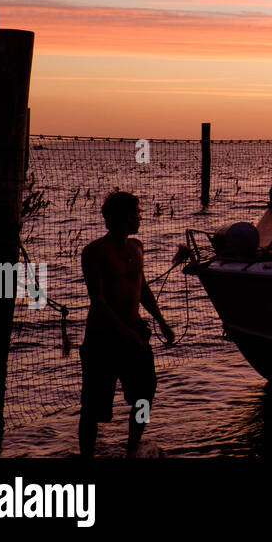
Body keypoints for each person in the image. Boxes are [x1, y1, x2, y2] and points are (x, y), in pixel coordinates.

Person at [79, 190, 175, 458]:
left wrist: (161, 322)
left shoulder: (137, 247)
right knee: (93, 407)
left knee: (145, 396)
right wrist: (123, 332)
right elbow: (98, 300)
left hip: (135, 332)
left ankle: (132, 447)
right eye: (136, 213)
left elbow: (141, 288)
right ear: (122, 217)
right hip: (103, 338)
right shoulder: (95, 252)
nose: (139, 218)